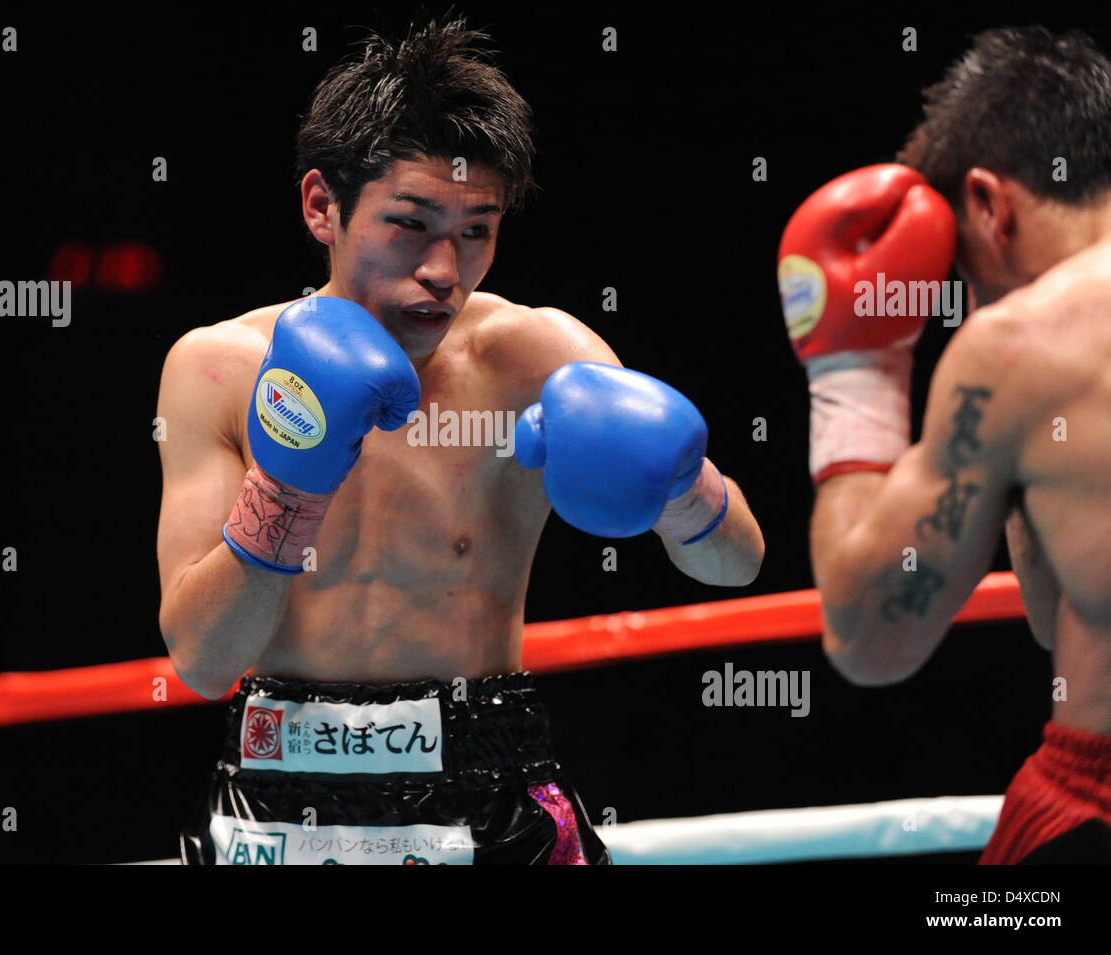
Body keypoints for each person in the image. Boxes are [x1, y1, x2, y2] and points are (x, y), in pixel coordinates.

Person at [155, 15, 764, 865]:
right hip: (273, 789)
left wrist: (681, 486)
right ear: (321, 205)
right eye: (411, 224)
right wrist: (287, 488)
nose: (444, 267)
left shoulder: (538, 358)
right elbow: (200, 659)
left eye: (477, 229)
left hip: (489, 783)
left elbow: (736, 564)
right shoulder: (218, 370)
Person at [779, 26, 1111, 864]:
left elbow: (870, 637)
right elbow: (1055, 610)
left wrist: (858, 369)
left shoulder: (1024, 346)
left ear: (989, 204)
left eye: (959, 272)